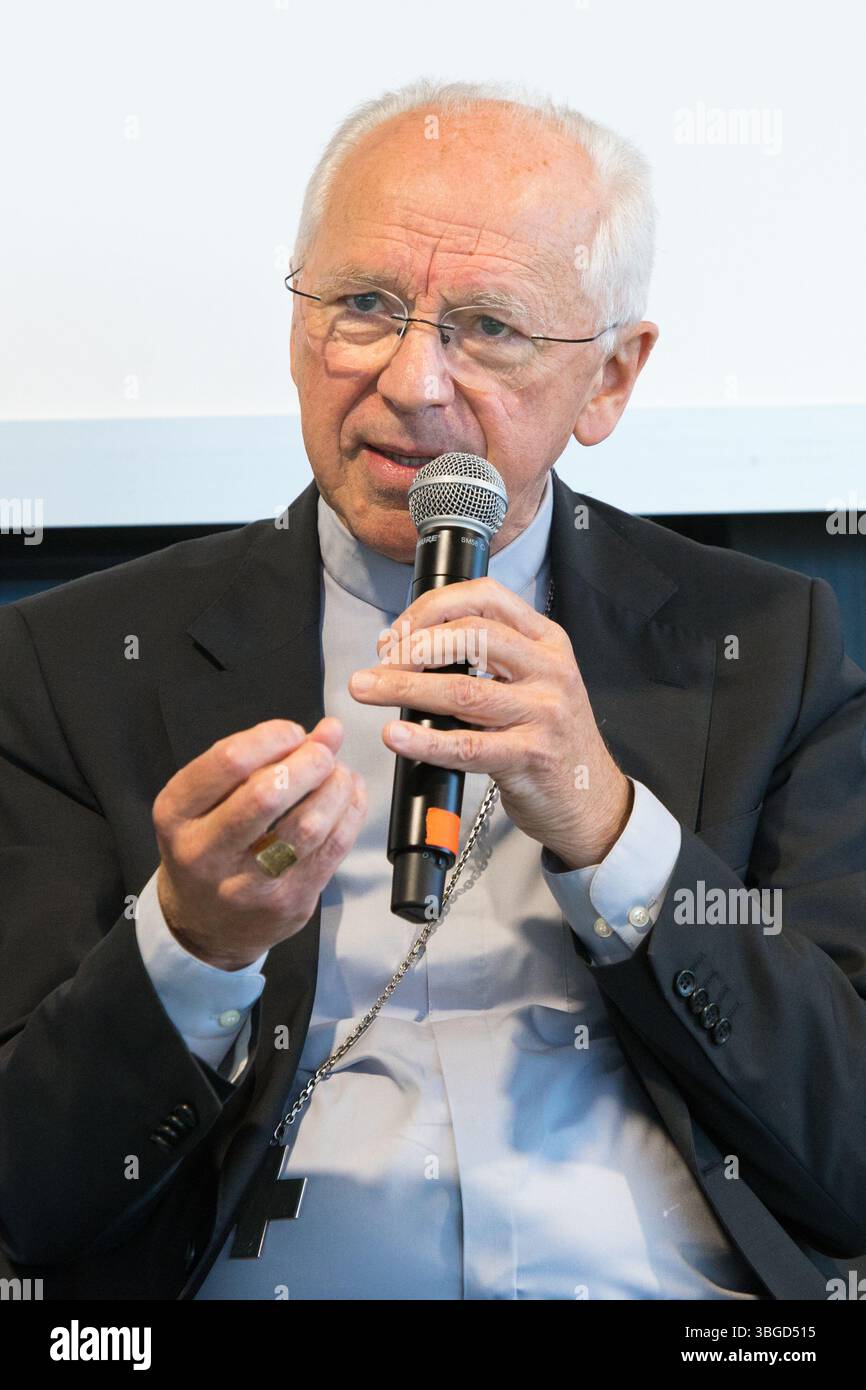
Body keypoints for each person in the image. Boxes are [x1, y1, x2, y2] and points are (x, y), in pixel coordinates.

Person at [1, 81, 865, 1300]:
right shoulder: (74, 665)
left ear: (609, 378)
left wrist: (613, 833)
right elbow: (31, 1197)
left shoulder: (765, 646)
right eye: (362, 306)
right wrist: (191, 945)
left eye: (488, 328)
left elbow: (847, 1159)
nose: (412, 384)